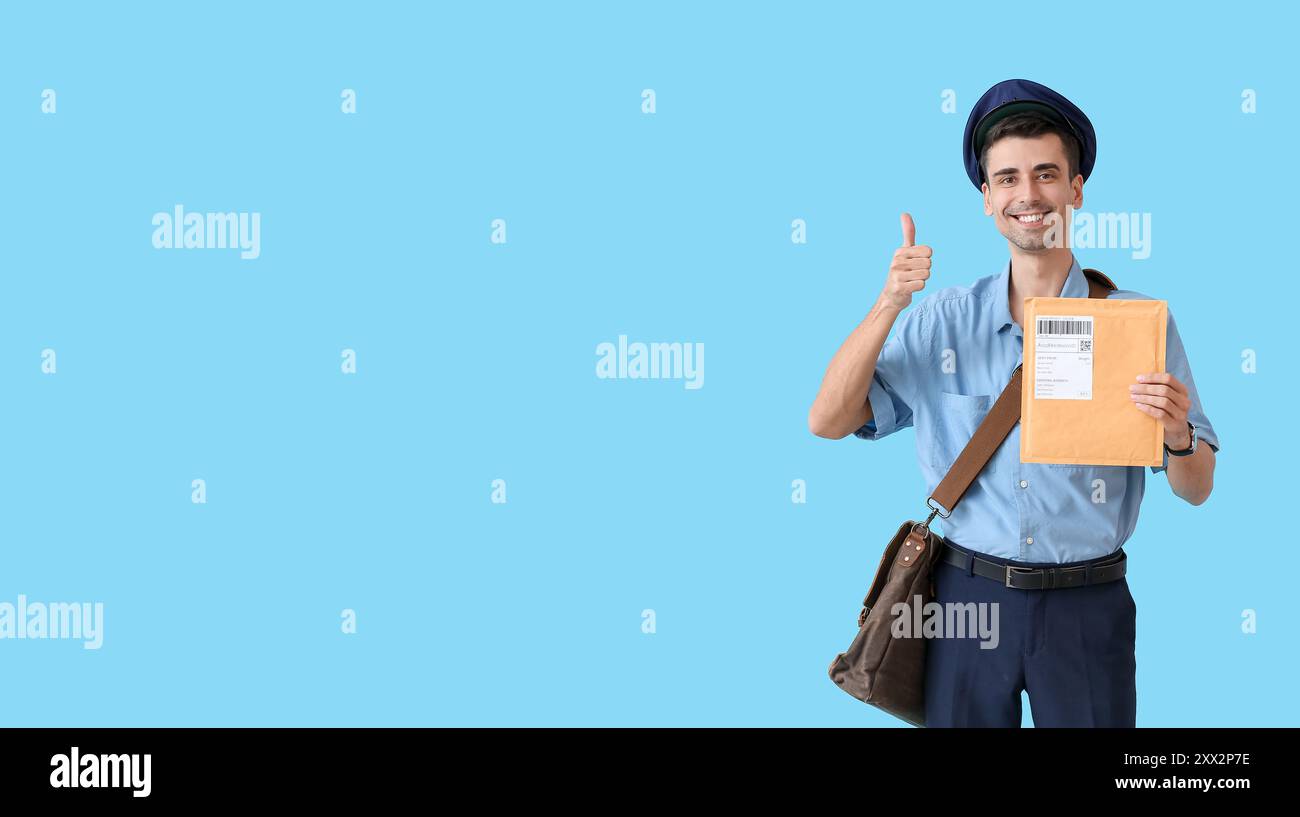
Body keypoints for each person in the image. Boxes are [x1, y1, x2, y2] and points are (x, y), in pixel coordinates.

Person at [808, 79, 1220, 727]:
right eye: (1007, 179)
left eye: (1046, 174)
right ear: (987, 199)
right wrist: (888, 302)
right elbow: (827, 419)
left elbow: (1197, 488)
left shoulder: (1137, 325)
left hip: (1089, 604)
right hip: (967, 602)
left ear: (1076, 189)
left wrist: (1175, 437)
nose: (1027, 195)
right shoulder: (942, 318)